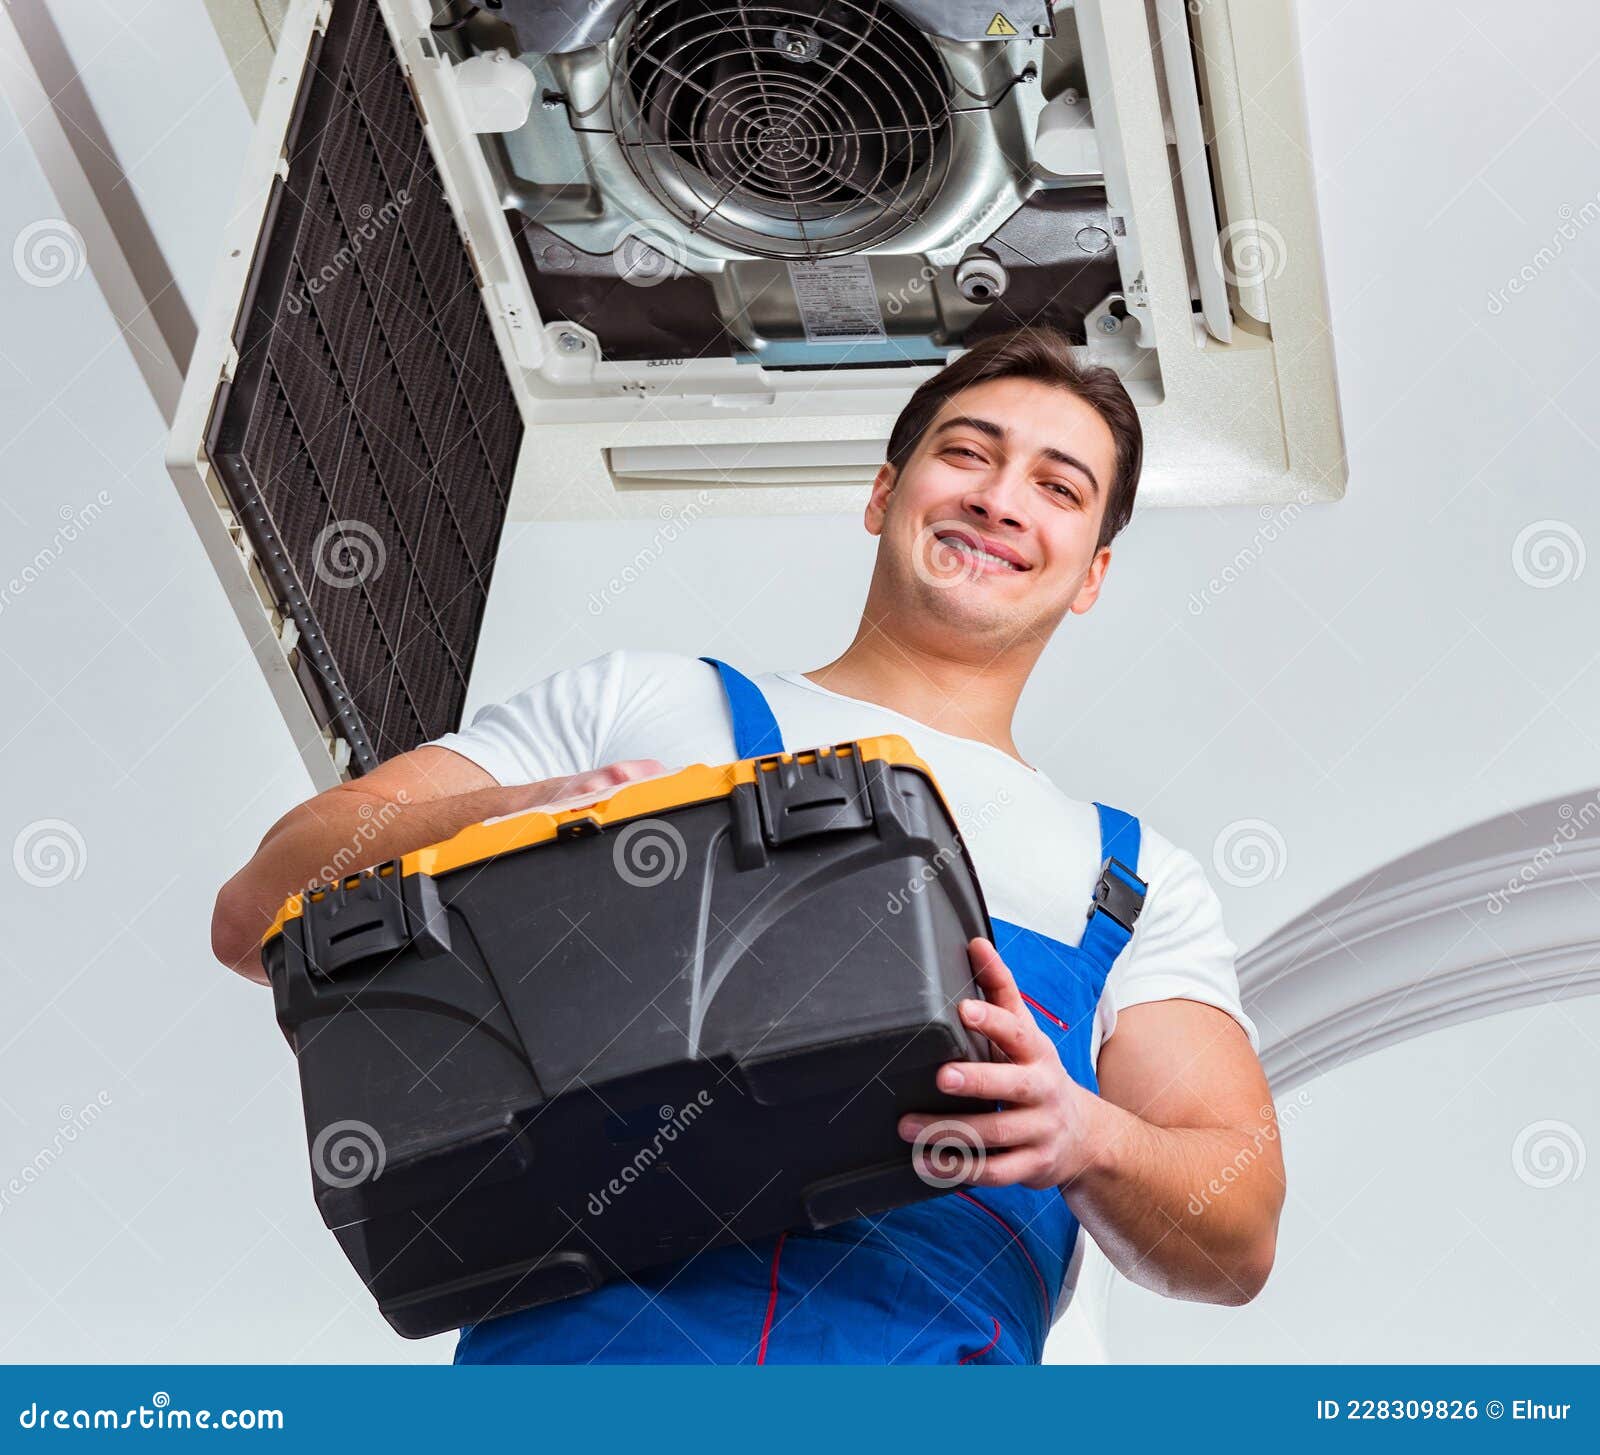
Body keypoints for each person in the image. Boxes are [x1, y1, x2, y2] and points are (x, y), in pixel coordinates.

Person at [212, 325, 1285, 1364]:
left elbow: (1234, 1232)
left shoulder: (1129, 881)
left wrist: (1084, 1135)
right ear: (882, 494)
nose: (999, 499)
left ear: (1090, 573)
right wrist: (529, 816)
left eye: (1058, 487)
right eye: (965, 453)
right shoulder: (648, 704)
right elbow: (257, 907)